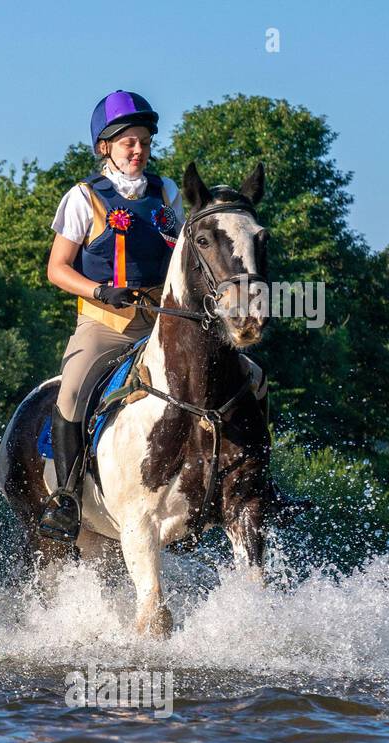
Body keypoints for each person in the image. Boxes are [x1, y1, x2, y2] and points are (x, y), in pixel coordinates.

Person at [39, 90, 302, 541]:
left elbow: (190, 256)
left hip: (165, 321)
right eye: (128, 142)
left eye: (143, 141)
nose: (138, 150)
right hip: (105, 323)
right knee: (73, 390)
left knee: (253, 377)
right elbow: (56, 268)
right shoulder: (84, 198)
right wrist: (100, 290)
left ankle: (261, 482)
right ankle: (66, 497)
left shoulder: (167, 192)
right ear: (105, 147)